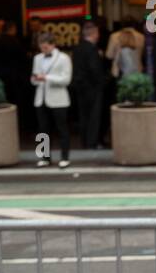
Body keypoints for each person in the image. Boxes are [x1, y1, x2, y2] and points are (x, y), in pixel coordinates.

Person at [30, 31, 72, 168]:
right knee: (43, 130)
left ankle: (65, 157)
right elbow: (34, 78)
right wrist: (35, 79)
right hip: (41, 98)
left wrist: (47, 78)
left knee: (62, 129)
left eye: (46, 47)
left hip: (58, 99)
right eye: (41, 47)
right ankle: (45, 157)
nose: (43, 50)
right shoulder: (37, 58)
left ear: (53, 45)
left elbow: (66, 80)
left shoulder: (64, 58)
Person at [72, 21, 108, 150]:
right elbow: (94, 69)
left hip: (80, 87)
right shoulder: (92, 49)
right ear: (94, 34)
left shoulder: (77, 48)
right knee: (94, 116)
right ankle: (91, 142)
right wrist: (102, 81)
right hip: (93, 87)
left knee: (83, 115)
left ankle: (85, 141)